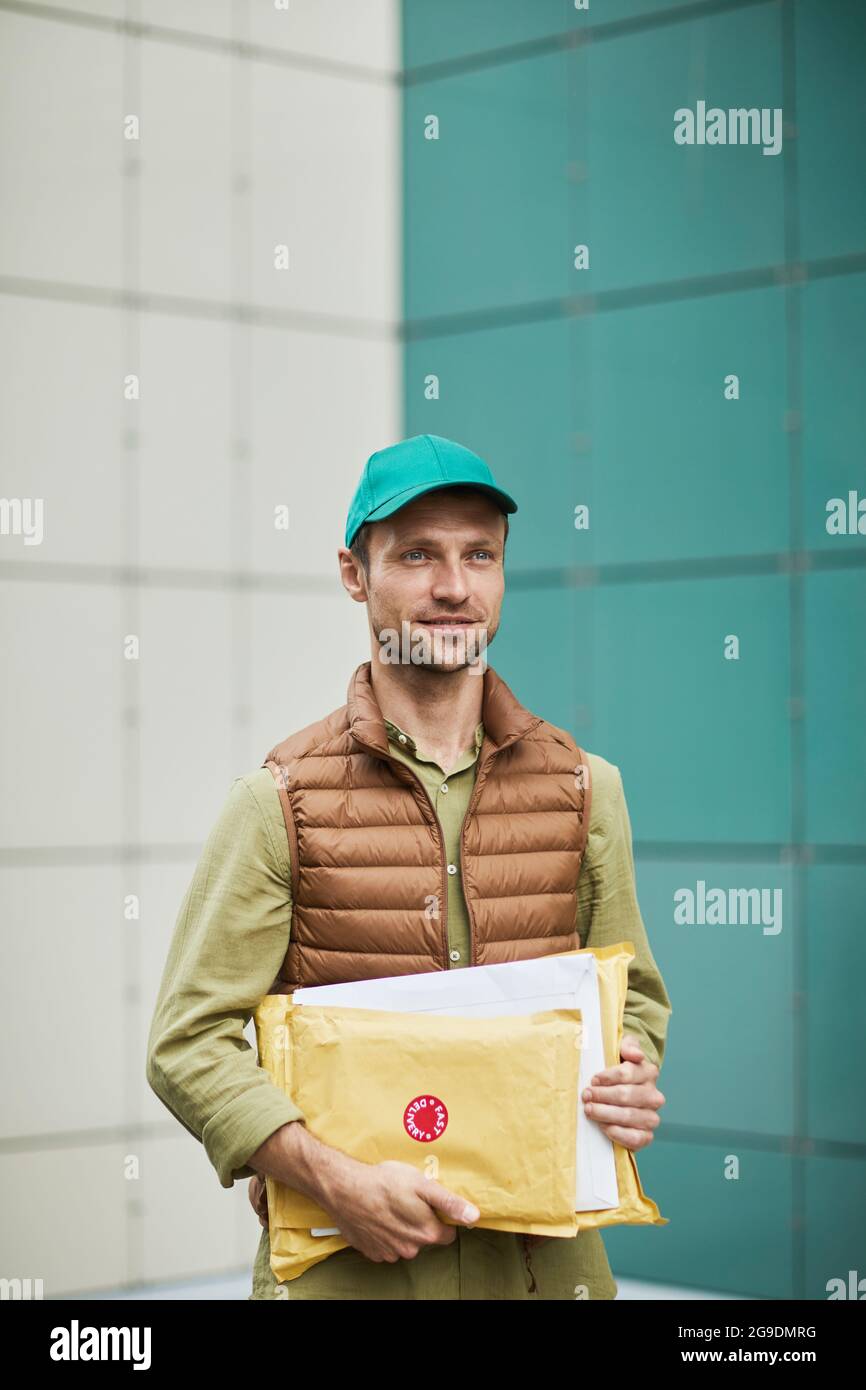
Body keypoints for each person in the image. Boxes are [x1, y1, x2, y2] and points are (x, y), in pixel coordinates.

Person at [146, 433, 672, 1300]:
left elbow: (634, 1001)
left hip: (545, 1274)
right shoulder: (279, 801)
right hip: (351, 1280)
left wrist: (628, 1070)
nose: (454, 587)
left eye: (480, 556)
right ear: (355, 573)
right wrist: (325, 1176)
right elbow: (186, 1044)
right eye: (417, 555)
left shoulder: (587, 788)